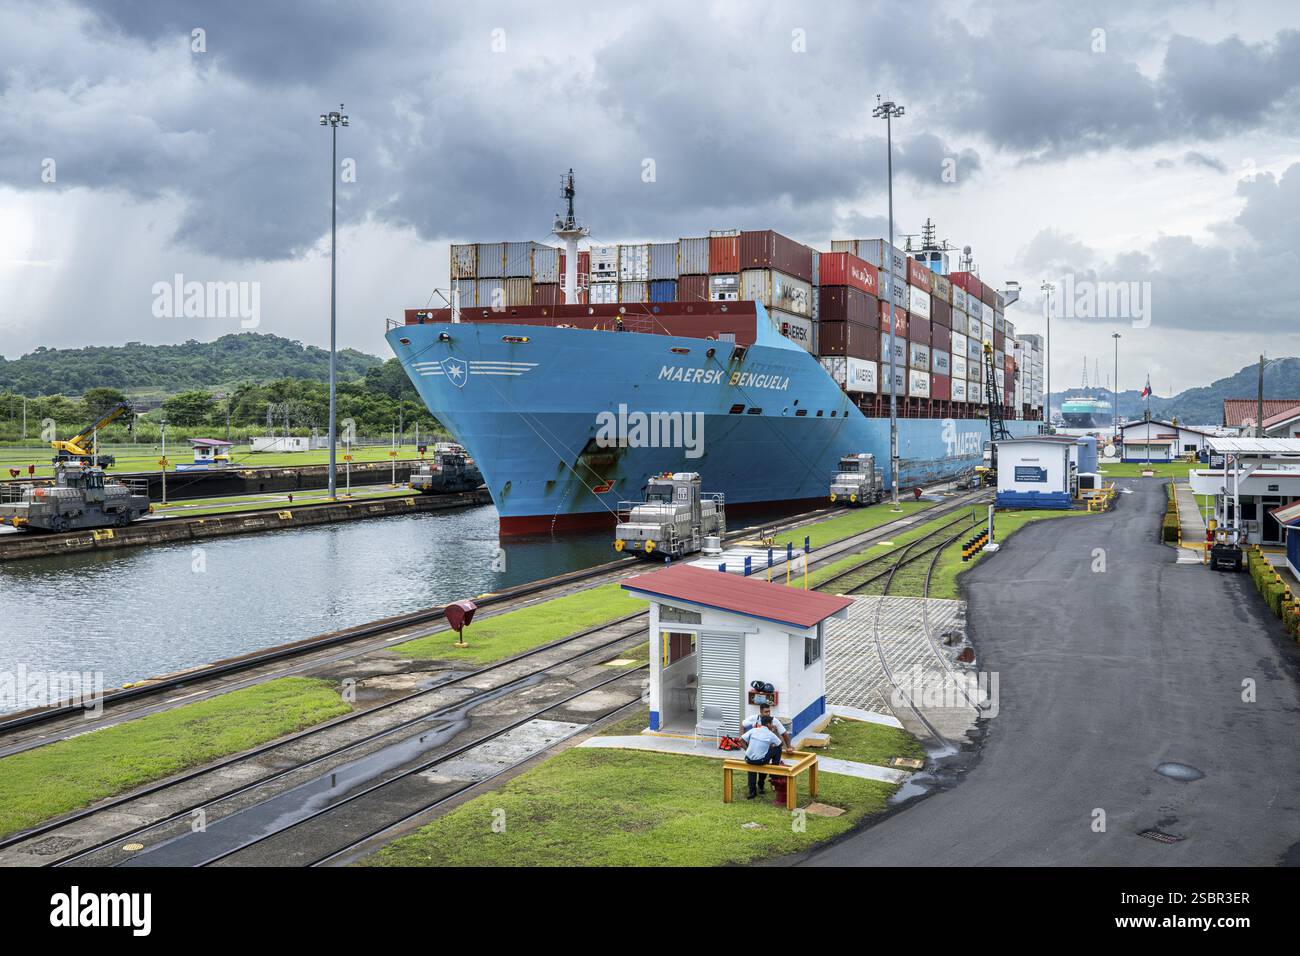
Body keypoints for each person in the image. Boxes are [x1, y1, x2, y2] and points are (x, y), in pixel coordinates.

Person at [739, 716, 784, 799]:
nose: (773, 726)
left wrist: (748, 750)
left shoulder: (753, 730)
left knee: (752, 765)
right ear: (768, 724)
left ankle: (752, 791)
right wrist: (776, 732)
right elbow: (780, 744)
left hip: (748, 759)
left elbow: (740, 740)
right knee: (777, 749)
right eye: (772, 724)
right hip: (760, 760)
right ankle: (773, 773)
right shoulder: (771, 734)